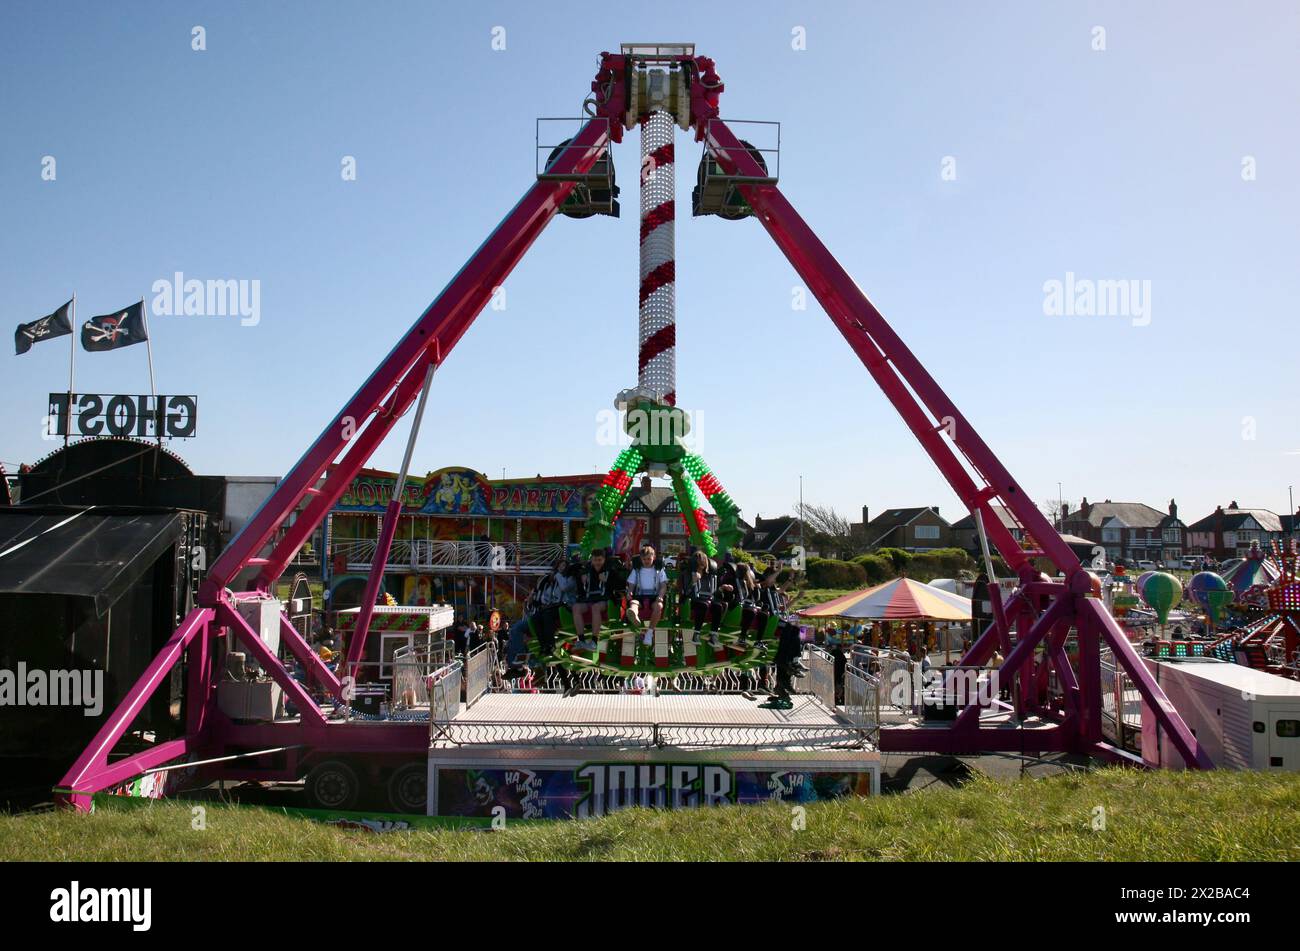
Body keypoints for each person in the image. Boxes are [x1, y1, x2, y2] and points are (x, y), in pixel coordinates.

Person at [570, 547, 620, 651]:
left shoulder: (610, 570)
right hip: (589, 599)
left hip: (605, 599)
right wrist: (582, 583)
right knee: (576, 607)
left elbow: (620, 585)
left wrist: (607, 580)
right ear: (591, 560)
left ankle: (594, 641)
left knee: (595, 607)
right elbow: (581, 592)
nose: (597, 563)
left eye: (599, 560)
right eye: (595, 560)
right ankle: (581, 639)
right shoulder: (586, 571)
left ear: (604, 560)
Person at [625, 544, 669, 646]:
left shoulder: (659, 570)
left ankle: (649, 633)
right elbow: (631, 585)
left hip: (654, 596)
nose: (647, 561)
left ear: (653, 558)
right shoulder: (636, 570)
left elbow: (663, 586)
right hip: (639, 596)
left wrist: (661, 596)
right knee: (633, 603)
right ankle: (634, 615)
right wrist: (629, 592)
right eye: (644, 559)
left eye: (649, 559)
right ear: (641, 559)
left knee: (658, 606)